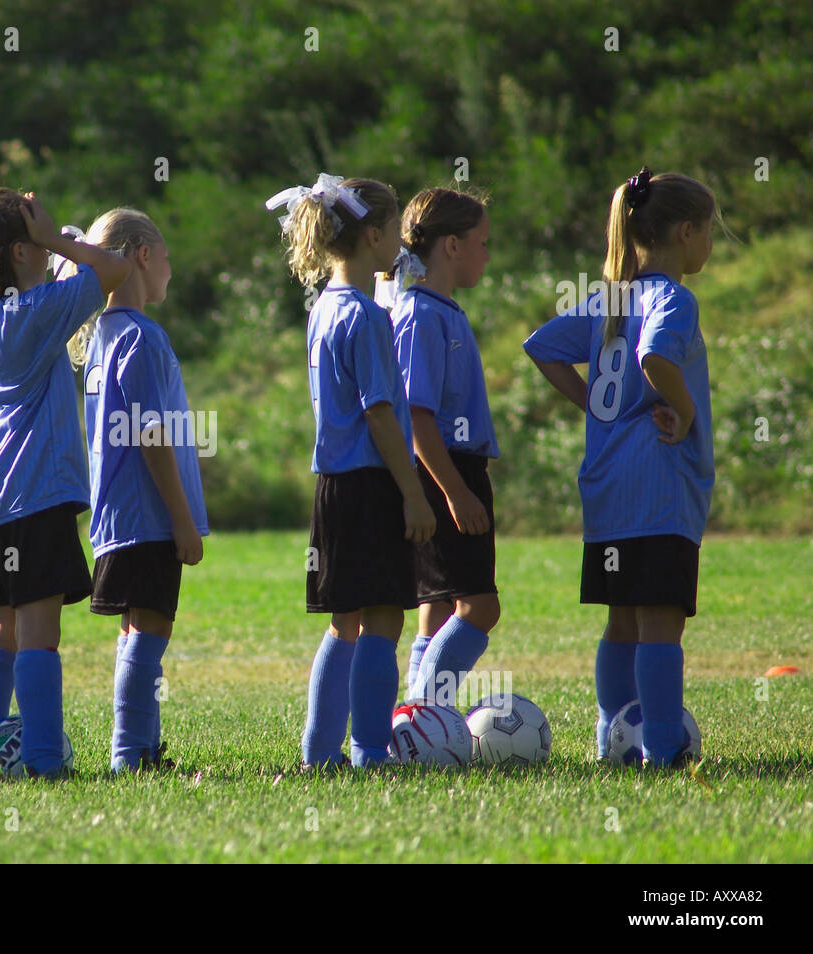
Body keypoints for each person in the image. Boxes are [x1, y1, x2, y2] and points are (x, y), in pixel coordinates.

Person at [524, 167, 716, 767]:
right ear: (685, 232)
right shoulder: (672, 298)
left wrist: (596, 406)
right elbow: (656, 354)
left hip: (606, 487)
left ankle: (612, 739)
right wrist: (682, 413)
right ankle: (661, 748)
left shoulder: (611, 297)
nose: (712, 242)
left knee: (623, 624)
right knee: (661, 624)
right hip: (659, 486)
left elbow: (543, 346)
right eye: (711, 230)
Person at [0, 188, 128, 778]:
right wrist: (61, 241)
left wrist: (44, 255)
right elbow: (114, 268)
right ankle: (45, 760)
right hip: (36, 492)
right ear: (20, 251)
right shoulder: (33, 314)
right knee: (39, 637)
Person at [267, 174, 436, 770]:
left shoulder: (323, 309)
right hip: (371, 484)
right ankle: (369, 750)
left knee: (345, 622)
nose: (401, 241)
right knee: (386, 619)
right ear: (371, 235)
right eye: (394, 231)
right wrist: (413, 492)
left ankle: (320, 751)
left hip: (333, 487)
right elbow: (381, 415)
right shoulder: (365, 317)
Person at [69, 207, 207, 773]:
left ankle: (141, 750)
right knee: (152, 627)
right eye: (167, 256)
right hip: (146, 514)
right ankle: (131, 754)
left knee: (137, 627)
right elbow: (153, 434)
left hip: (115, 513)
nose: (171, 269)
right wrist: (181, 516)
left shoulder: (103, 333)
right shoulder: (143, 338)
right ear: (142, 256)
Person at [388, 188, 500, 705]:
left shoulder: (443, 309)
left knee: (436, 606)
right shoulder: (419, 314)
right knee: (480, 608)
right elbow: (416, 417)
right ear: (451, 246)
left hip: (451, 470)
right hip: (443, 472)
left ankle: (418, 728)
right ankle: (422, 715)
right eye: (481, 242)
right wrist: (455, 492)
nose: (487, 253)